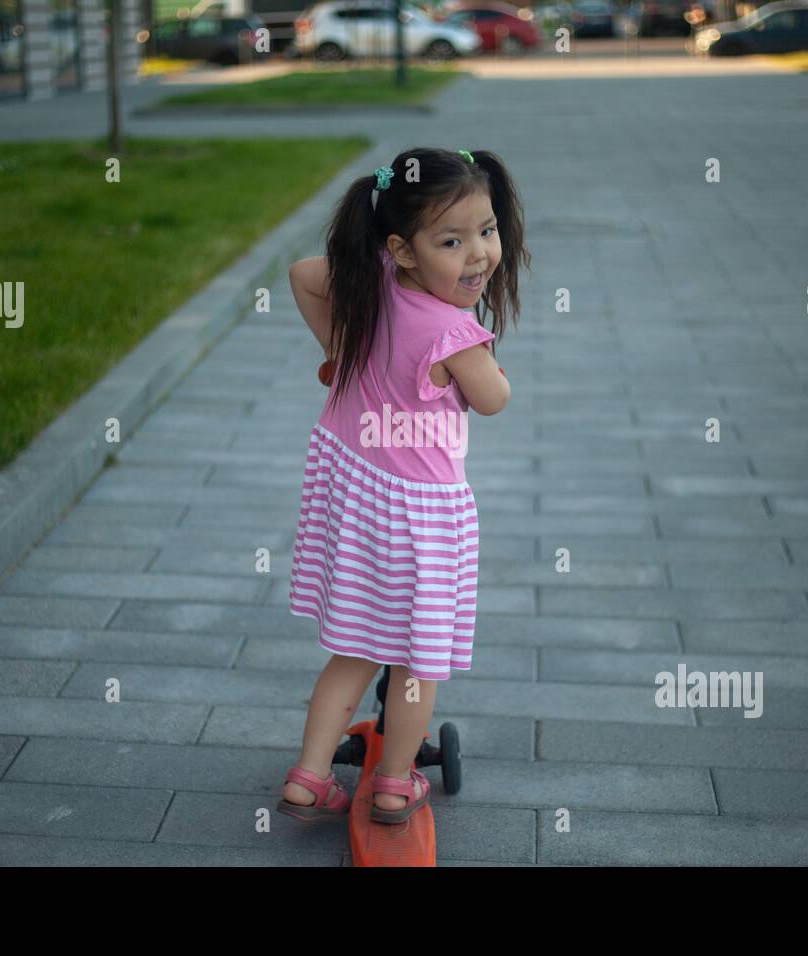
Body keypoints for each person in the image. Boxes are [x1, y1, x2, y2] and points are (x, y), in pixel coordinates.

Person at [277, 147, 529, 825]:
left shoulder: (375, 279)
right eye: (453, 241)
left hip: (353, 497)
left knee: (355, 649)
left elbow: (304, 275)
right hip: (418, 517)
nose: (478, 254)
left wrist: (341, 349)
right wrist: (479, 355)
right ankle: (394, 783)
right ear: (405, 248)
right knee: (418, 659)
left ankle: (309, 776)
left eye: (487, 231)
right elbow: (496, 399)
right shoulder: (455, 333)